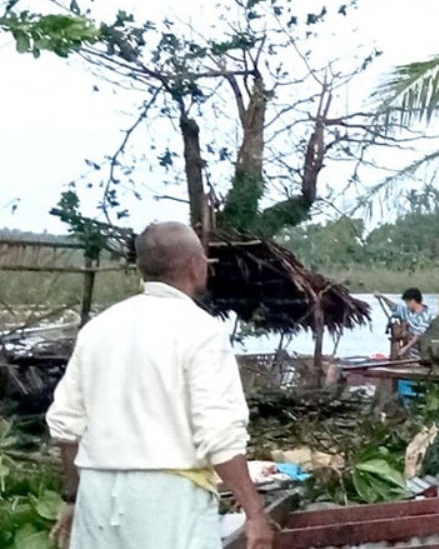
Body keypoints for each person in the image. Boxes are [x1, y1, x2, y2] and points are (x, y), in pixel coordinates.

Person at [45, 222, 272, 549]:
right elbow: (219, 434)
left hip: (96, 493)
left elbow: (66, 426)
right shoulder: (200, 331)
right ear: (195, 265)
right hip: (167, 500)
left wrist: (73, 498)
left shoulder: (99, 328)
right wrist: (254, 512)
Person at [373, 288, 433, 360]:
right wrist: (382, 297)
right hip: (407, 353)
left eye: (407, 302)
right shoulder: (407, 311)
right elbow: (394, 307)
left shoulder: (425, 316)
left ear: (413, 301)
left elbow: (418, 335)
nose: (406, 305)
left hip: (418, 354)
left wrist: (405, 348)